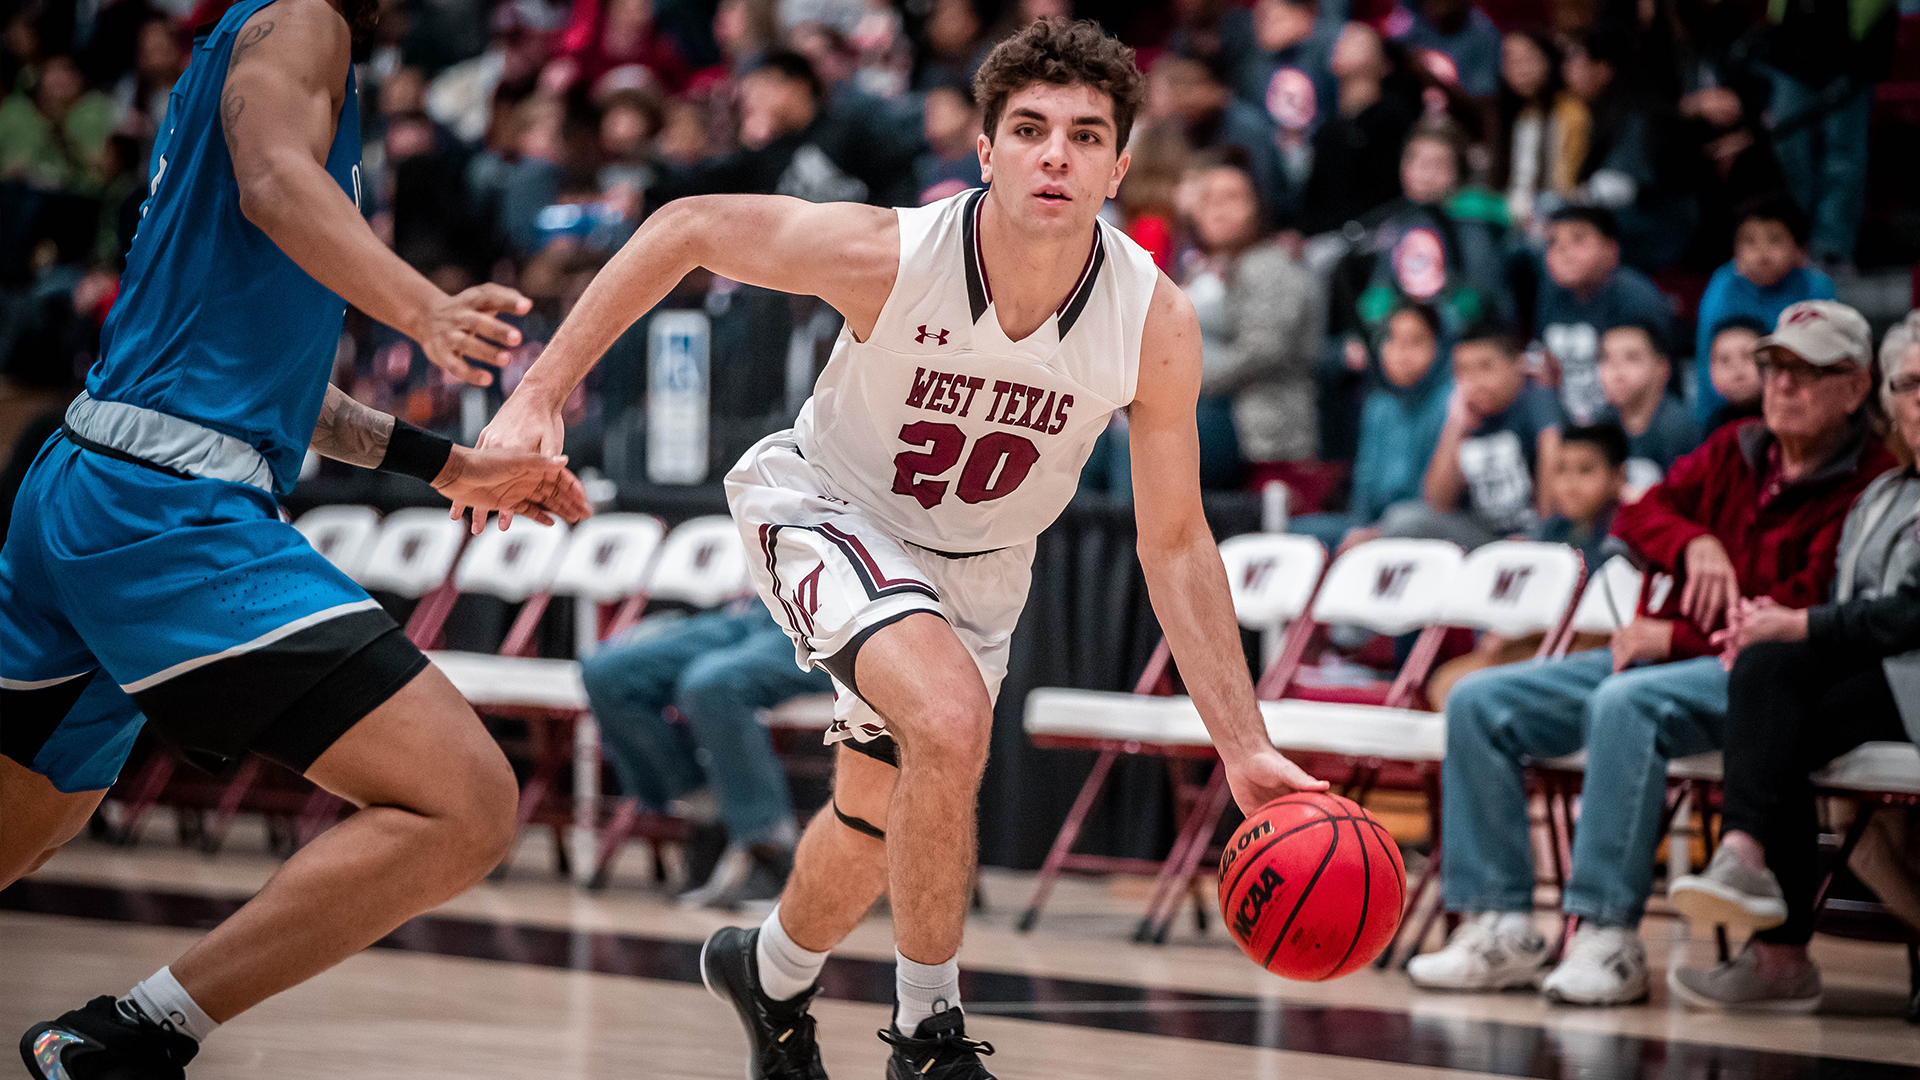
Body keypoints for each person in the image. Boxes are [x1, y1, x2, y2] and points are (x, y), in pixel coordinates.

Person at [470, 19, 1326, 1079]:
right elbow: (686, 224)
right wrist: (537, 398)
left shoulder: (1155, 320)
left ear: (1119, 162)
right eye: (1028, 129)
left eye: (1083, 134)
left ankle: (769, 972)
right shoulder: (896, 253)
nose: (1054, 153)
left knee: (874, 819)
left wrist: (1241, 745)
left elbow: (1179, 542)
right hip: (831, 509)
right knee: (953, 722)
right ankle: (928, 1032)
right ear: (985, 151)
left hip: (979, 569)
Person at [7, 0, 593, 1075]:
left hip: (91, 478)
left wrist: (450, 466)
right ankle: (128, 1041)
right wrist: (423, 310)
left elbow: (273, 383)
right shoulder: (301, 19)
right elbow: (277, 186)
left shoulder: (254, 52)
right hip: (165, 512)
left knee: (17, 832)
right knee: (463, 804)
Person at [1409, 300, 1892, 1007]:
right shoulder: (1737, 447)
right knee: (1481, 699)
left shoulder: (1868, 484)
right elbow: (1639, 514)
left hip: (1764, 680)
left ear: (1855, 387)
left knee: (1624, 700)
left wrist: (1679, 635)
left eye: (1809, 371)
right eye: (1776, 366)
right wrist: (1693, 542)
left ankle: (1608, 936)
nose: (1784, 385)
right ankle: (1500, 924)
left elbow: (1801, 609)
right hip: (1671, 658)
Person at [1664, 313, 1920, 1012]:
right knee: (1769, 689)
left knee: (1774, 709)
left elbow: (1908, 613)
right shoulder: (1887, 494)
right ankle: (1753, 887)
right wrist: (1767, 627)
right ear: (1890, 398)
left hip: (1910, 679)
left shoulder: (1867, 484)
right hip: (1886, 678)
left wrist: (1796, 622)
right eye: (1912, 385)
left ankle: (1767, 923)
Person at [581, 605, 830, 909]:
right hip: (757, 610)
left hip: (823, 625)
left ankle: (771, 850)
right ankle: (708, 812)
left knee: (711, 684)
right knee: (605, 674)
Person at [1426, 420, 1628, 708]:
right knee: (1447, 681)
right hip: (1540, 645)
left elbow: (1599, 625)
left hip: (1589, 652)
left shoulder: (1624, 536)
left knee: (1471, 690)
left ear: (1617, 476)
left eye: (1585, 471)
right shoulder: (1550, 530)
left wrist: (1522, 634)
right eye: (1561, 470)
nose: (1569, 484)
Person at [1180, 150, 1318, 484]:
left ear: (1257, 207)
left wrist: (1186, 379)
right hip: (1221, 421)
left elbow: (1263, 350)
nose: (1218, 209)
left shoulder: (1269, 265)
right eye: (1208, 199)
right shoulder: (1208, 266)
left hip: (1262, 432)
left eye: (1233, 198)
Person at [1379, 325, 1562, 549]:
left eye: (1485, 367)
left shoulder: (1535, 402)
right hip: (1484, 535)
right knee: (1402, 520)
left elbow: (1555, 471)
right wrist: (1454, 426)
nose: (1474, 380)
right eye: (1462, 371)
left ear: (1516, 366)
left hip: (1536, 533)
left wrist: (1541, 536)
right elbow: (1437, 502)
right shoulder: (1464, 416)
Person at [1293, 302, 1452, 554]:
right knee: (1296, 532)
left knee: (1405, 521)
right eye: (1393, 340)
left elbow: (1435, 500)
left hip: (1423, 522)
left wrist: (1376, 533)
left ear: (1440, 347)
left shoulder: (1450, 403)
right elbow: (1365, 479)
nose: (1402, 352)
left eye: (1415, 341)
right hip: (1376, 524)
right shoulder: (1379, 405)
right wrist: (1358, 529)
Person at [1355, 121, 1512, 342]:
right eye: (1413, 159)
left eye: (1437, 164)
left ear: (1459, 172)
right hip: (1406, 339)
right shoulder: (1400, 223)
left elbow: (1479, 299)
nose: (1422, 172)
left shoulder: (1471, 220)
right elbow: (1381, 287)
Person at [1692, 201, 1836, 425]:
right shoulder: (1722, 289)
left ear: (1800, 249)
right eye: (1749, 241)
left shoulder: (1817, 289)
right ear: (1734, 253)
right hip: (1732, 414)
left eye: (1775, 239)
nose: (1762, 252)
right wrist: (1709, 423)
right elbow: (1707, 366)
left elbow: (1829, 361)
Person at [1532, 204, 1674, 424]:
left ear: (1611, 251)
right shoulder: (1550, 293)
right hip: (1568, 424)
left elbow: (1653, 385)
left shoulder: (1635, 297)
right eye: (1553, 243)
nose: (1564, 252)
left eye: (1578, 239)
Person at [1293, 21, 1419, 237]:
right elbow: (1314, 200)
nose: (1342, 44)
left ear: (1385, 65)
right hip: (1324, 239)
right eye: (1341, 40)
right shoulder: (1327, 131)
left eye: (1357, 41)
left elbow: (1387, 197)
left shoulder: (1394, 119)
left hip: (1377, 234)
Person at [1492, 28, 1587, 234]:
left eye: (1528, 59)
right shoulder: (1520, 116)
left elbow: (1568, 186)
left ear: (1549, 61)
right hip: (1518, 218)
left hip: (1559, 217)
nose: (1520, 69)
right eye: (1511, 61)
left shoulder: (1572, 113)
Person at [1593, 322, 1702, 497]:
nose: (1616, 371)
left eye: (1631, 358)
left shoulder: (1680, 430)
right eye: (1606, 358)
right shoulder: (1602, 425)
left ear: (1662, 368)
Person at [1703, 316, 1766, 432]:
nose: (1737, 369)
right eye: (1724, 360)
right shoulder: (1712, 428)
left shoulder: (1782, 420)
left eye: (1747, 356)